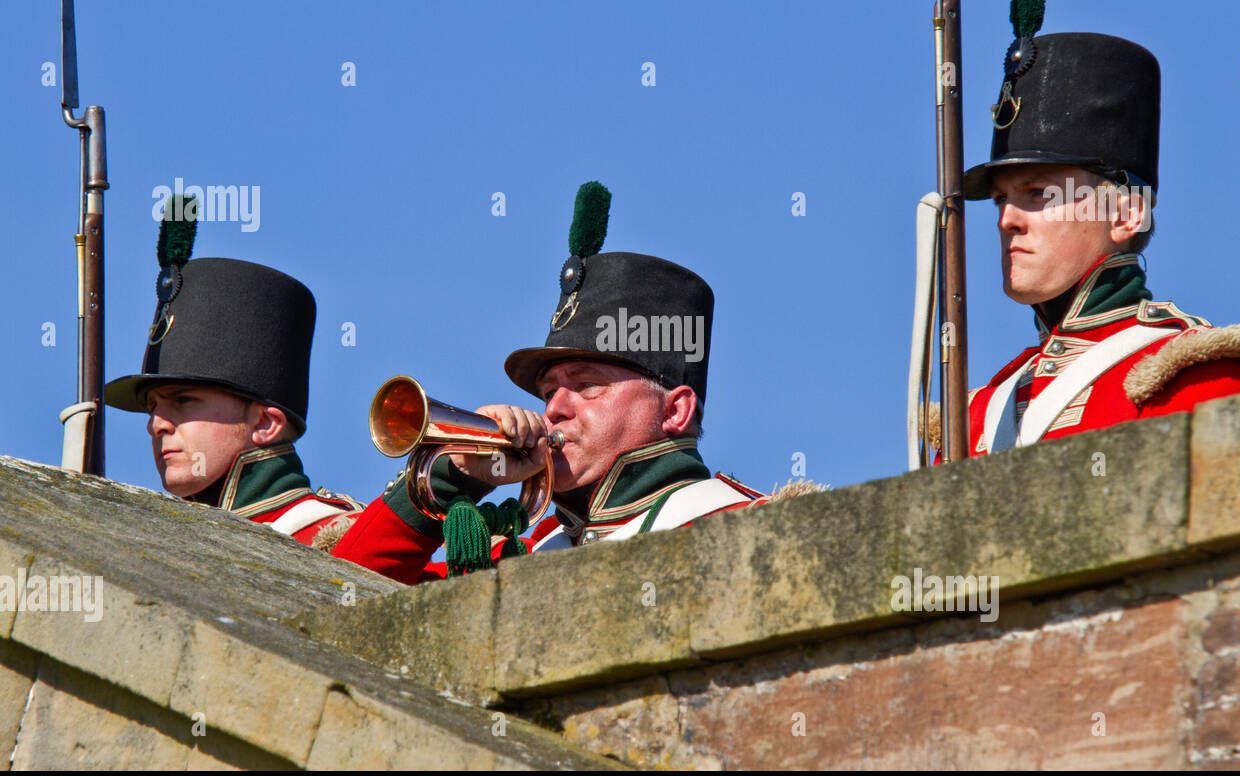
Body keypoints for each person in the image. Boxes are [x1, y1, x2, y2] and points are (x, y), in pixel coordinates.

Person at [333, 181, 767, 582]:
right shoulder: (521, 556)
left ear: (675, 410)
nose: (553, 409)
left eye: (587, 385)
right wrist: (455, 476)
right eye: (547, 393)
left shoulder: (747, 526)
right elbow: (342, 590)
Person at [954, 0, 1240, 456]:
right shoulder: (981, 413)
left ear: (1127, 214)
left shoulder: (1191, 377)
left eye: (1039, 194)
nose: (1007, 220)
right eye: (1002, 199)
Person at [105, 216, 362, 543]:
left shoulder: (337, 537)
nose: (156, 424)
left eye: (183, 400)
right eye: (153, 406)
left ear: (266, 423)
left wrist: (412, 502)